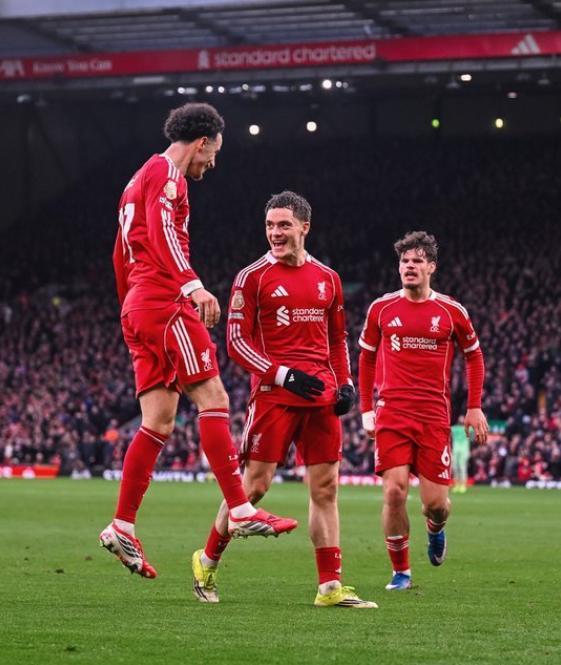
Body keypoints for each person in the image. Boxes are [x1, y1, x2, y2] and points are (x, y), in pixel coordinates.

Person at [99, 103, 297, 579]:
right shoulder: (168, 174)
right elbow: (163, 232)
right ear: (203, 142)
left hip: (139, 304)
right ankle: (241, 509)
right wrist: (190, 286)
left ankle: (122, 524)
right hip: (164, 299)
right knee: (214, 398)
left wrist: (132, 308)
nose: (213, 163)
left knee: (158, 420)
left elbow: (121, 250)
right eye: (215, 153)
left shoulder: (136, 178)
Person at [191, 191, 377, 608]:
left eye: (284, 225)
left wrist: (346, 384)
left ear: (304, 227)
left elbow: (337, 339)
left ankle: (329, 587)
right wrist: (282, 374)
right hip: (274, 395)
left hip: (320, 396)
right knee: (254, 487)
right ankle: (207, 560)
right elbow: (236, 343)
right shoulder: (252, 277)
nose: (275, 233)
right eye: (270, 225)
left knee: (326, 488)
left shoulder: (328, 278)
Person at [358, 231, 488, 591]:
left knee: (436, 504)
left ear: (431, 267)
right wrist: (366, 408)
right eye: (405, 261)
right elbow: (366, 358)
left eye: (417, 261)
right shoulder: (381, 308)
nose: (409, 266)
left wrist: (474, 407)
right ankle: (401, 572)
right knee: (394, 492)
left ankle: (436, 528)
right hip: (392, 412)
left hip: (433, 416)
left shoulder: (451, 311)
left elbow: (474, 356)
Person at [451, 416, 470, 493]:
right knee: (455, 468)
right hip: (455, 450)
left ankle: (463, 485)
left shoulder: (468, 428)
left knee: (462, 467)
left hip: (464, 450)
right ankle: (456, 485)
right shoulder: (454, 428)